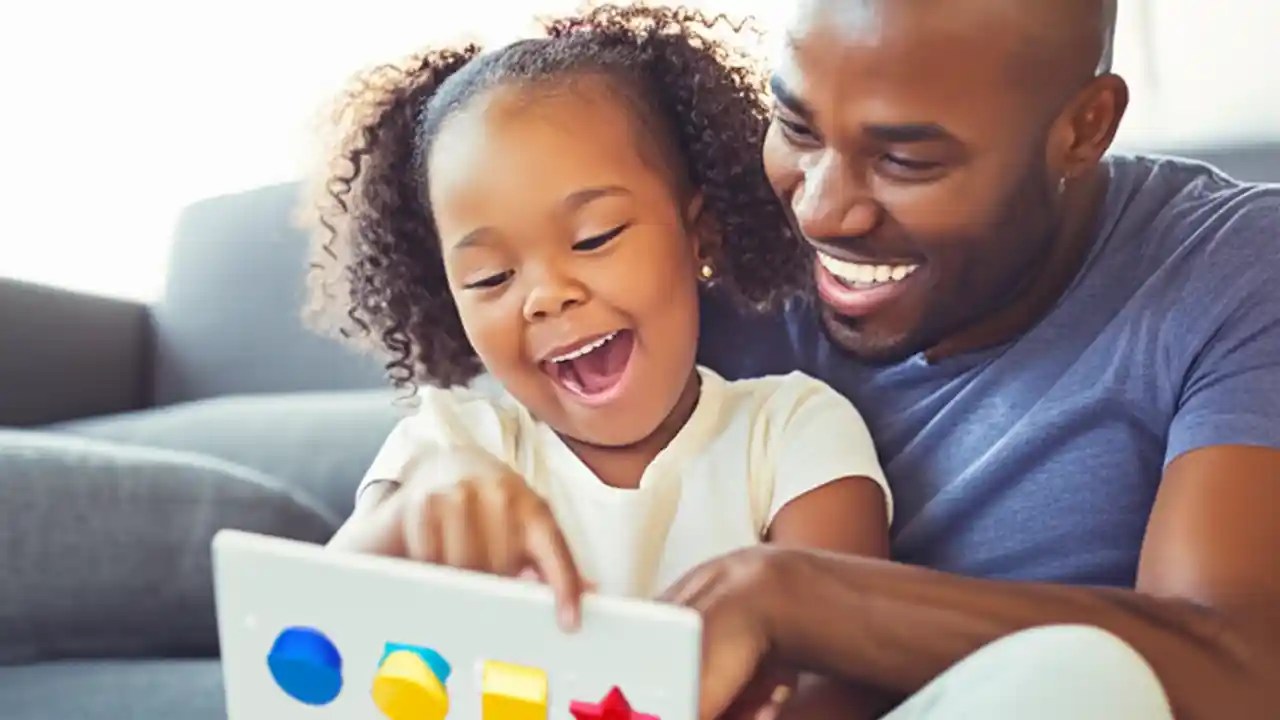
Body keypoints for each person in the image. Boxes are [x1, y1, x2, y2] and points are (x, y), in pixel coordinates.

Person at [671, 0, 1280, 718]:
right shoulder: (693, 252)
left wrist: (792, 597)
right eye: (797, 127)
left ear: (1083, 129)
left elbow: (1245, 670)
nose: (821, 212)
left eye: (905, 160)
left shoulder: (1231, 270)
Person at [308, 5, 892, 714]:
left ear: (699, 234)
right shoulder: (450, 447)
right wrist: (402, 522)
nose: (546, 297)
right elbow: (302, 645)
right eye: (492, 278)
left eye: (594, 237)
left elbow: (842, 667)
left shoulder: (794, 430)